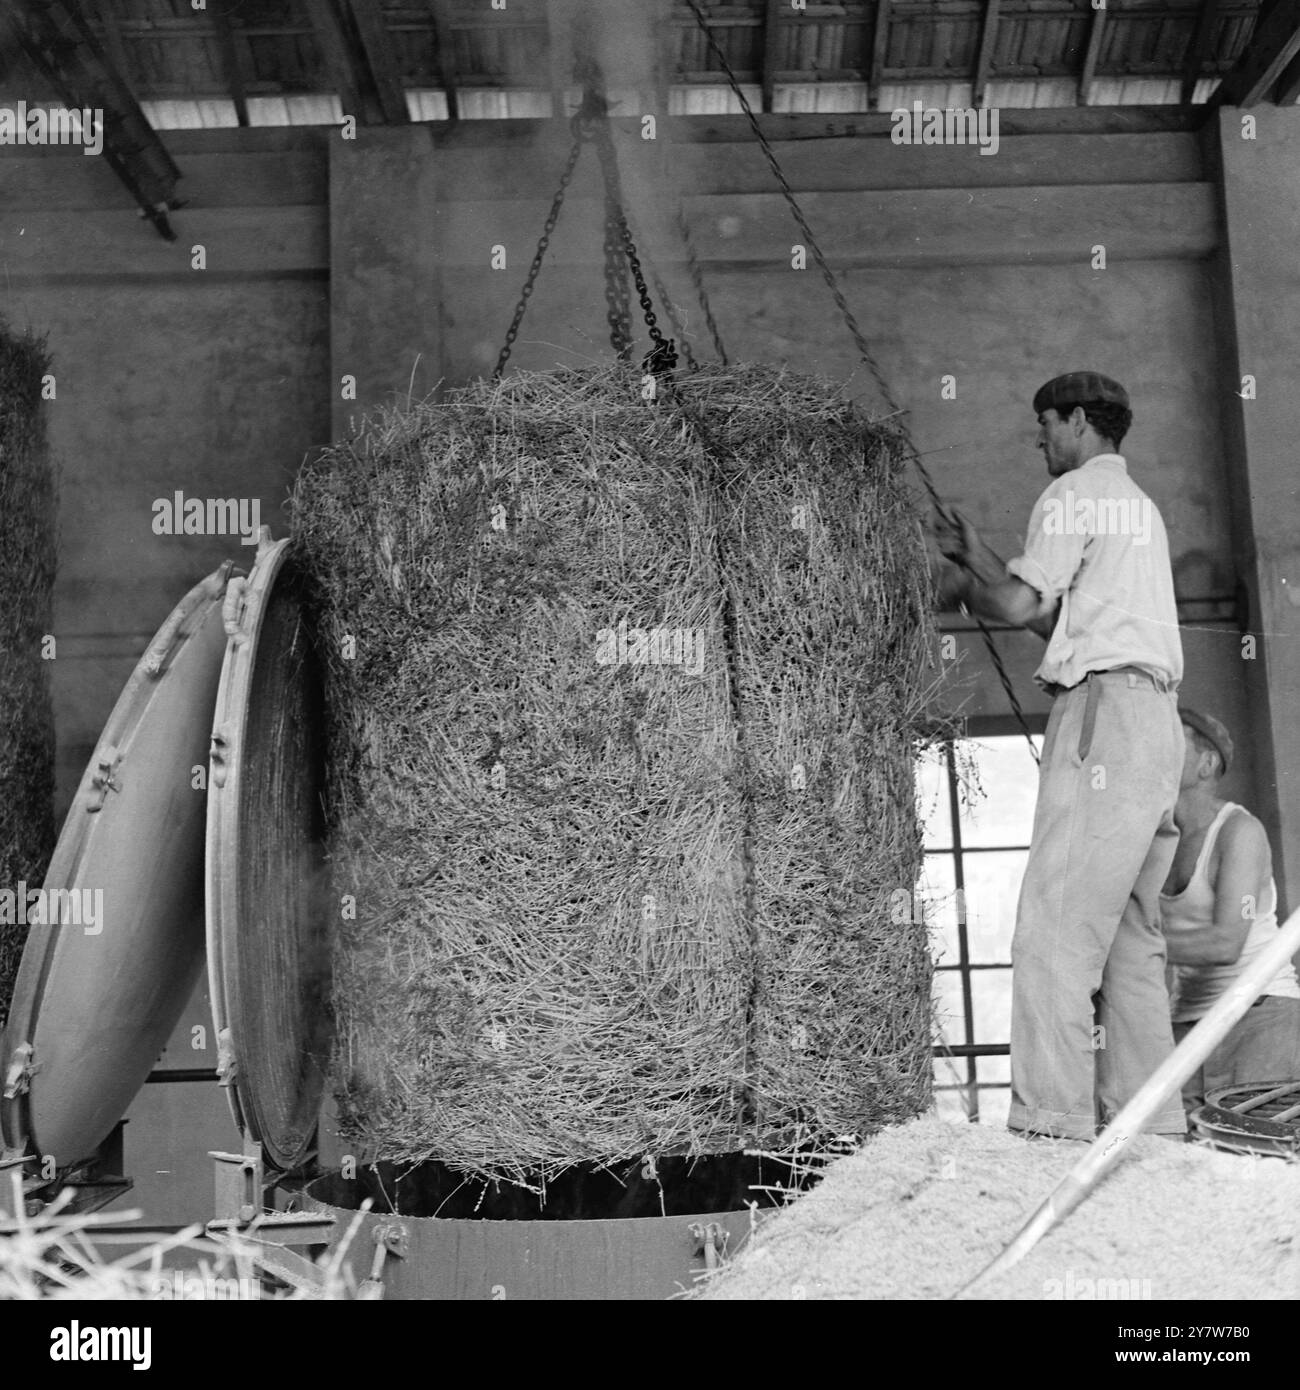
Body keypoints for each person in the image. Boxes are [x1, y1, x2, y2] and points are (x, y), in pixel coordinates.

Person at [935, 371, 1187, 1140]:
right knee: (1128, 946)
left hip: (1103, 721)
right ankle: (1152, 1130)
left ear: (1078, 421)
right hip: (1156, 725)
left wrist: (957, 588)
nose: (1039, 439)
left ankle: (1051, 1126)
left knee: (1050, 933)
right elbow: (1057, 623)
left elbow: (1016, 607)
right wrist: (988, 564)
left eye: (1044, 424)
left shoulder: (1073, 494)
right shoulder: (1136, 509)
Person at [1159, 707, 1300, 1109]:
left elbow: (1226, 944)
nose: (1154, 748)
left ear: (1206, 764)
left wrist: (1138, 947)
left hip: (1259, 1016)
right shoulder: (1156, 839)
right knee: (1184, 1155)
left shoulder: (1239, 831)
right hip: (1187, 1020)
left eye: (1172, 740)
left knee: (1258, 1152)